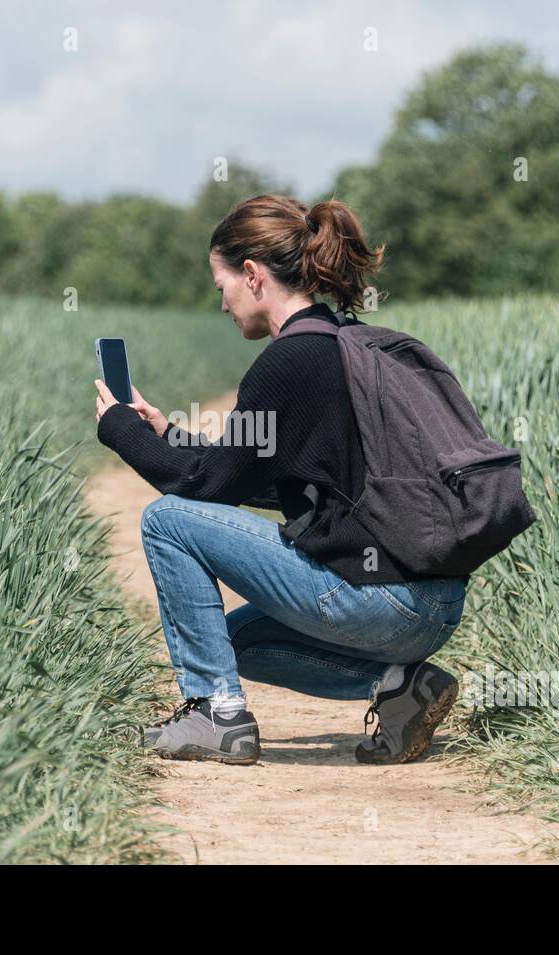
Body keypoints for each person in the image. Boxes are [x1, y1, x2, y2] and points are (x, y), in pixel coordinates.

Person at [94, 195, 466, 766]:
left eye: (221, 285)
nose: (222, 305)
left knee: (168, 520)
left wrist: (119, 427)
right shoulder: (343, 343)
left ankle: (215, 714)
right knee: (237, 641)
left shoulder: (288, 362)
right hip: (432, 606)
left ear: (252, 275)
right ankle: (400, 686)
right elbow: (260, 476)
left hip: (381, 600)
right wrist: (166, 433)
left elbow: (203, 488)